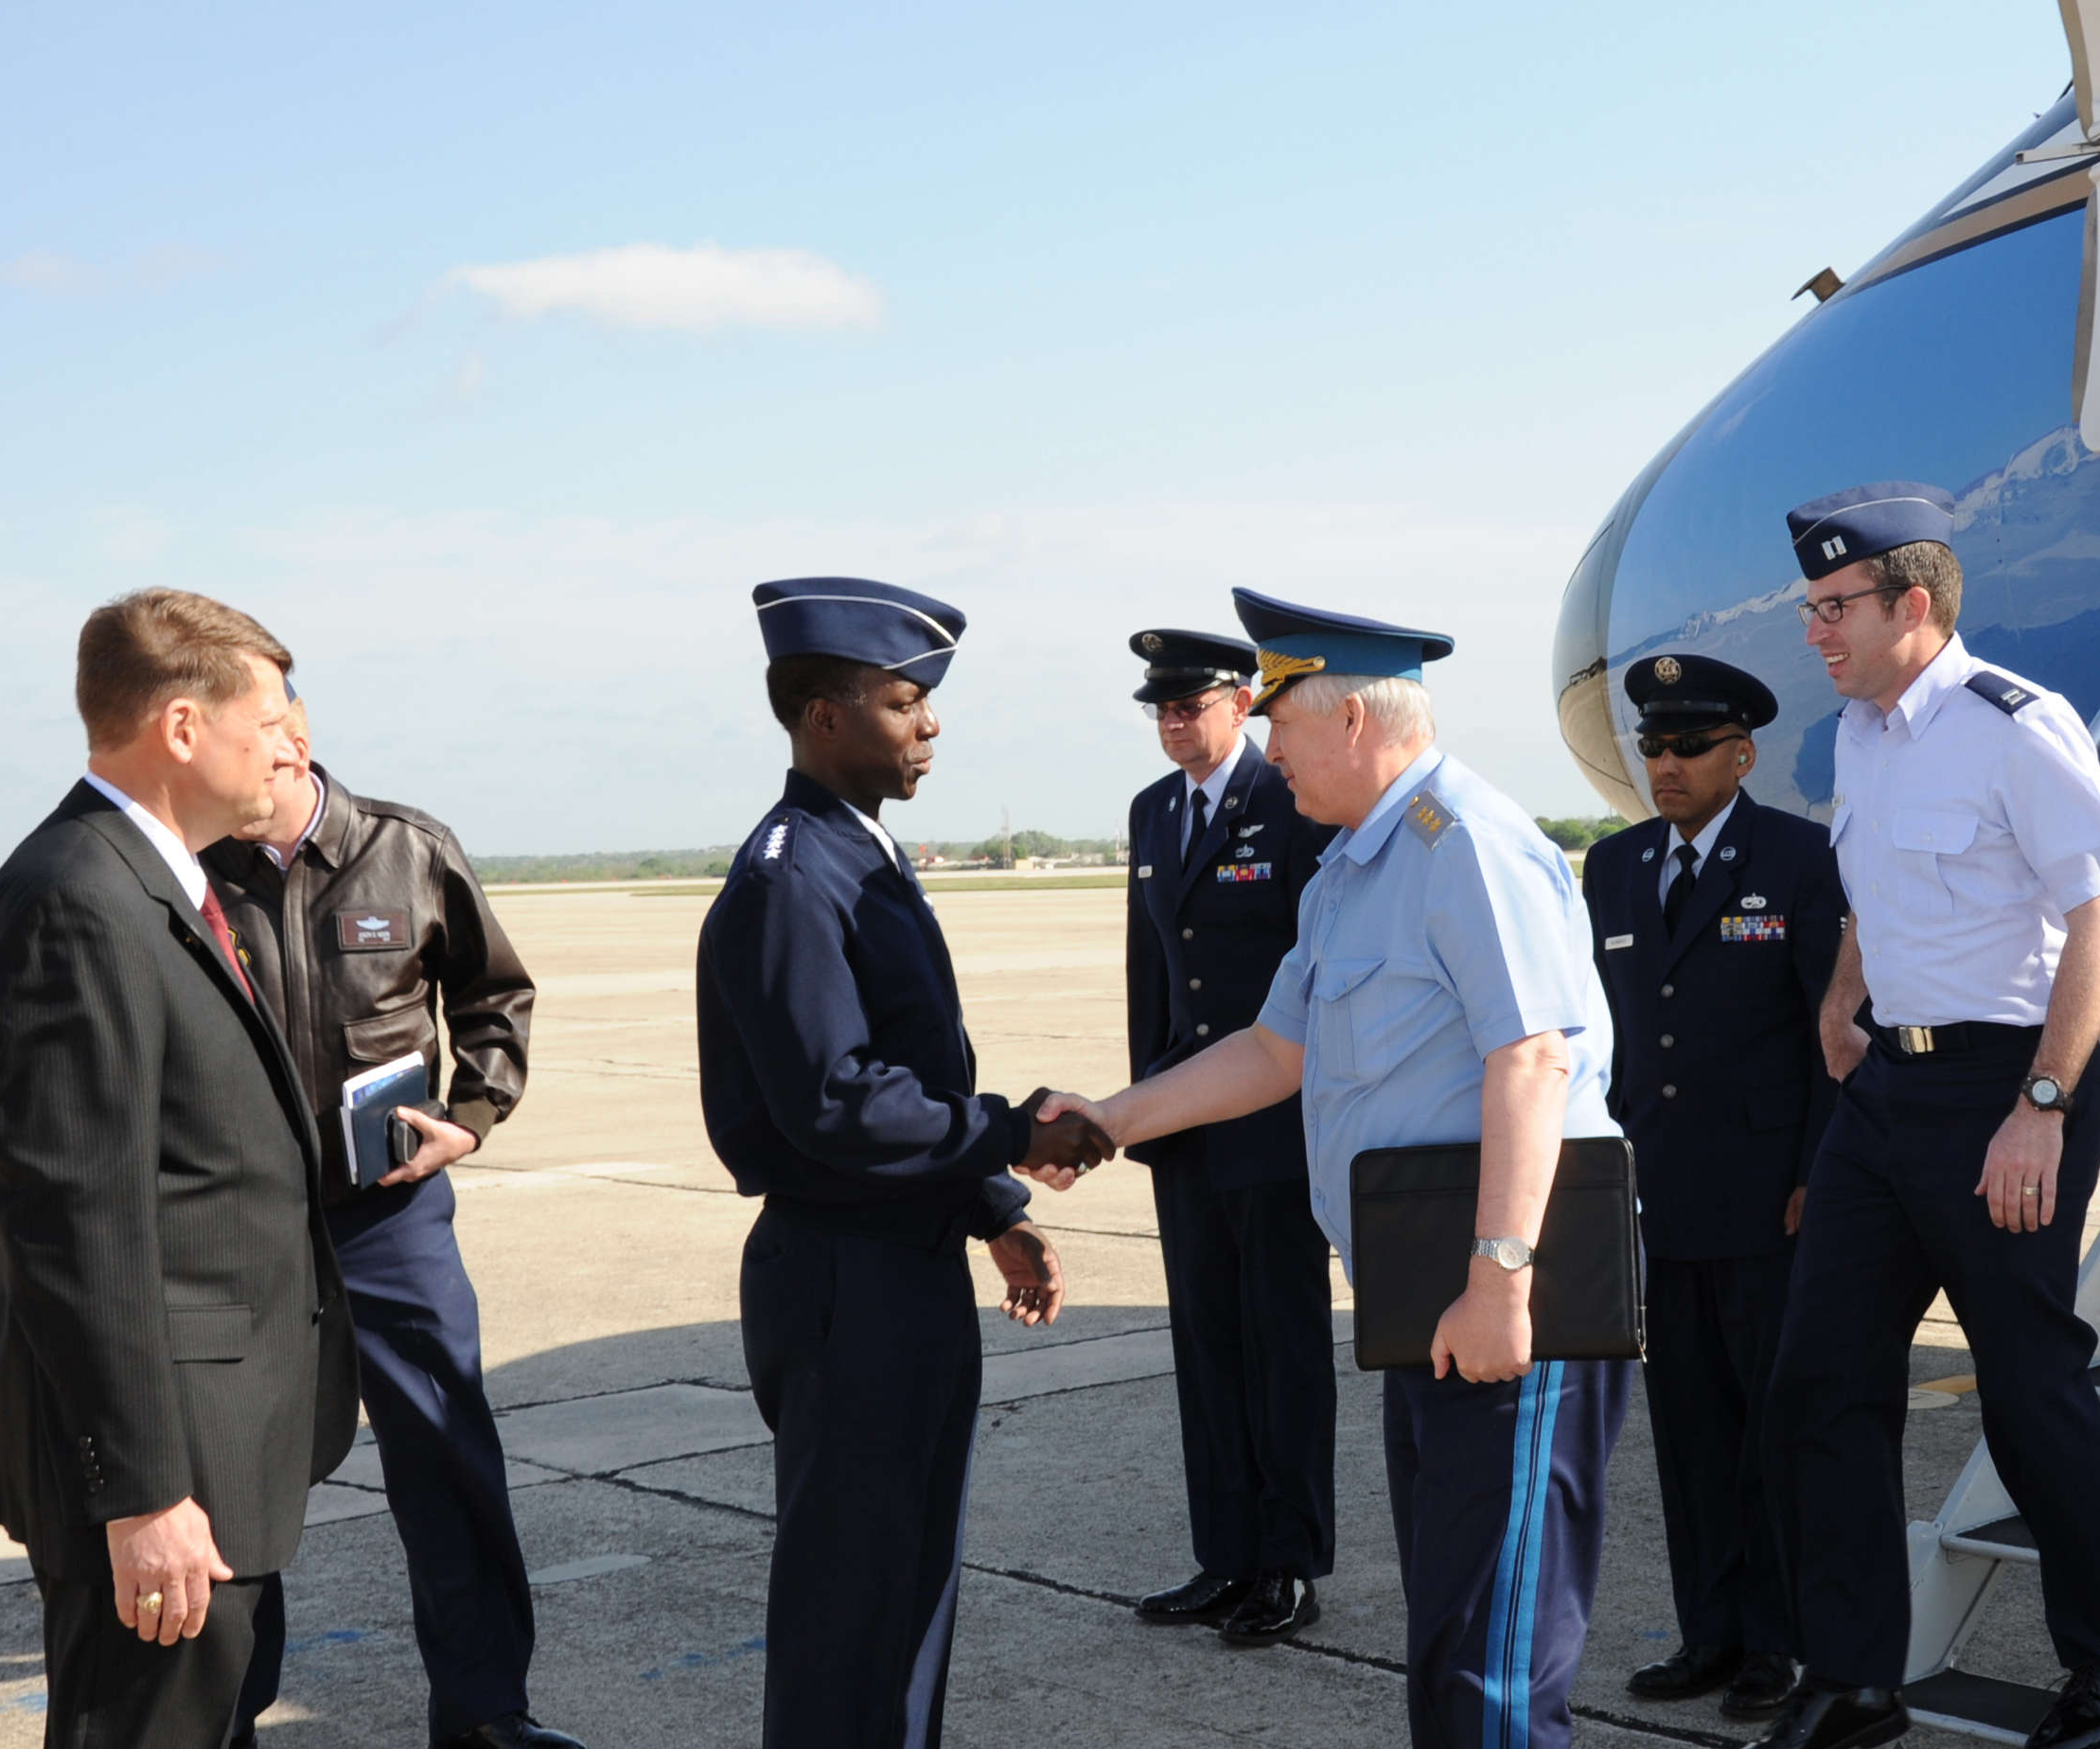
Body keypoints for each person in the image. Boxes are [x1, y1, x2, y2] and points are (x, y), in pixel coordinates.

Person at [1032, 588, 1629, 1749]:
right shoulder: (1356, 867)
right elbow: (1271, 1050)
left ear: (1351, 721)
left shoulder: (1466, 847)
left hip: (1510, 1282)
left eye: (1281, 723)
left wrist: (1502, 1276)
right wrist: (1109, 1117)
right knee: (1451, 1624)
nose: (1270, 750)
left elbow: (1533, 1057)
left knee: (1494, 1649)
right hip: (1429, 1284)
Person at [1756, 486, 2100, 1749]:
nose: (1815, 631)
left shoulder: (2014, 728)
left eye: (1835, 609)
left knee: (2027, 1390)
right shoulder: (1861, 734)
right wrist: (1843, 995)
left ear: (1914, 605)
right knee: (1816, 1380)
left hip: (2009, 1088)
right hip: (1887, 1091)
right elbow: (1874, 887)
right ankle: (1856, 1676)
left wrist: (2042, 1104)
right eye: (1812, 609)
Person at [696, 575, 1116, 1749]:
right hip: (846, 1281)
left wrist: (993, 1211)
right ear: (823, 716)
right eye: (903, 701)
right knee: (850, 1608)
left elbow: (909, 1070)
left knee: (910, 1594)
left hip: (905, 1267)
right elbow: (837, 1100)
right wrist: (1014, 1138)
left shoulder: (856, 855)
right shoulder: (791, 876)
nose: (930, 725)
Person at [0, 590, 359, 1749]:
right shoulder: (80, 899)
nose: (292, 748)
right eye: (271, 725)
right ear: (184, 730)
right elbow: (75, 1218)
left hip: (223, 1458)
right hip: (170, 1479)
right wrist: (143, 1491)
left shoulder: (172, 889)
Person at [202, 695, 577, 1749]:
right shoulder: (184, 871)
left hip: (390, 1216)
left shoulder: (407, 852)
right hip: (241, 1230)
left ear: (292, 745)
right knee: (236, 1479)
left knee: (448, 1459)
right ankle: (225, 1719)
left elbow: (495, 1000)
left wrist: (471, 1115)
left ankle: (486, 1713)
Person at [1581, 654, 1843, 1724]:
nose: (1666, 765)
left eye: (1689, 746)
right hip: (1657, 1191)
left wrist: (1814, 1180)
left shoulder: (1799, 859)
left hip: (1766, 1194)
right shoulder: (1615, 867)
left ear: (1742, 753)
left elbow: (1836, 1035)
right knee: (1688, 1426)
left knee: (1771, 1426)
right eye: (1652, 745)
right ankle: (1712, 1632)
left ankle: (1782, 1641)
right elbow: (1603, 1039)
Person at [1121, 628, 1339, 1645]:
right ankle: (1225, 1557)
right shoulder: (1153, 812)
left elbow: (1322, 973)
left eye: (1190, 704)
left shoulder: (1289, 801)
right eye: (1159, 708)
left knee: (1281, 1346)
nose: (1173, 721)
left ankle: (1288, 1565)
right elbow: (1153, 981)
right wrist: (1143, 1111)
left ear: (1242, 704)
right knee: (1206, 1344)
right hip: (1189, 1128)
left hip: (1275, 1119)